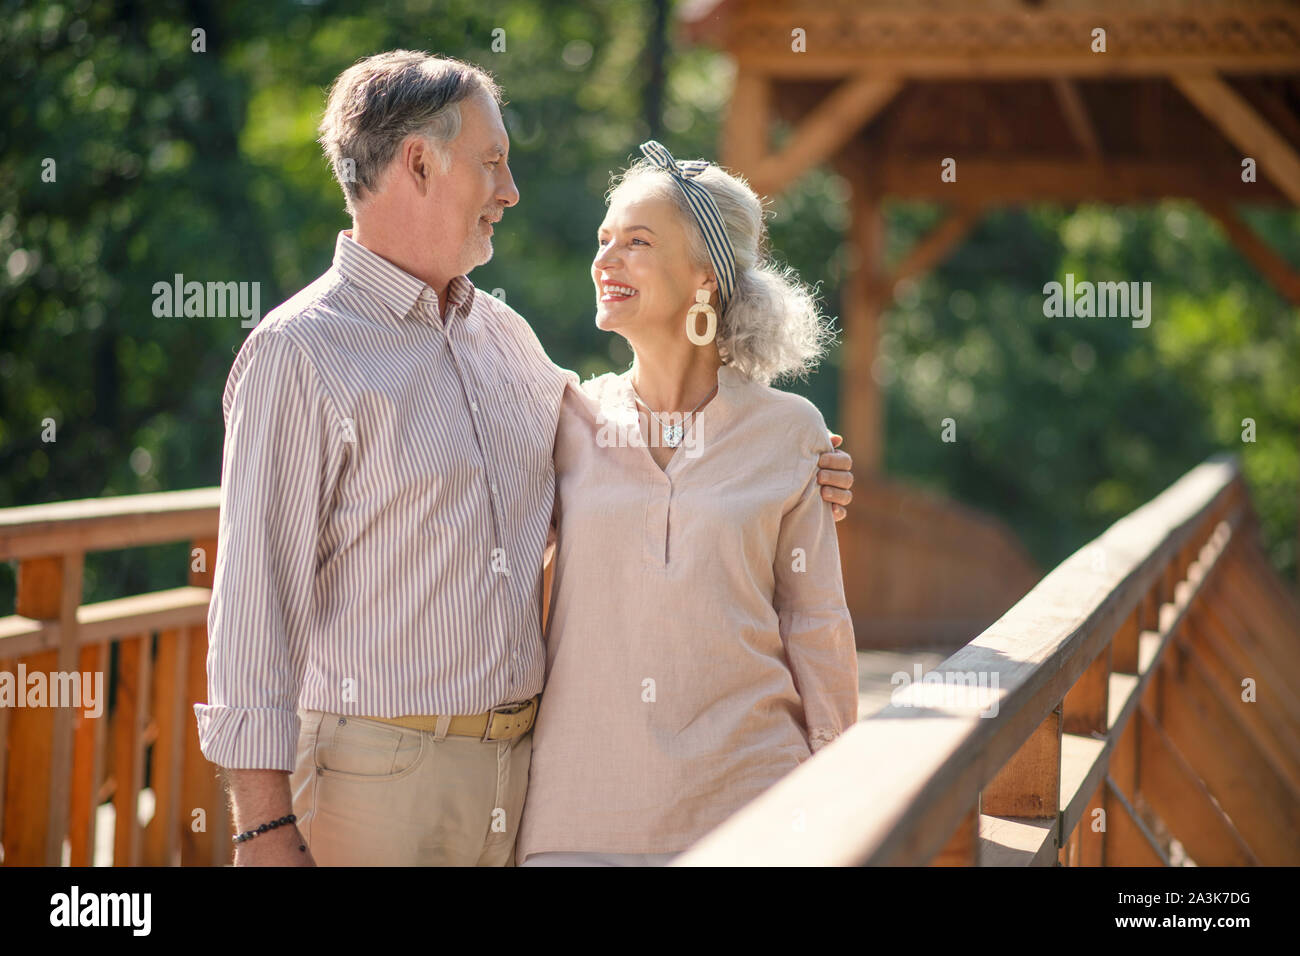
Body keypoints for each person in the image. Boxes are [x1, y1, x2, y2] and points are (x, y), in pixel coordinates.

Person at [193, 51, 855, 866]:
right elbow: (252, 606)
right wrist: (260, 827)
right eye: (493, 163)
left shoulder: (505, 341)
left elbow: (667, 458)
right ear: (420, 161)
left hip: (518, 780)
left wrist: (809, 465)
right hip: (377, 782)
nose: (510, 191)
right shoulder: (299, 354)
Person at [516, 143, 859, 866]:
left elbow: (814, 620)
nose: (606, 260)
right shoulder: (562, 418)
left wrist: (840, 785)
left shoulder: (792, 432)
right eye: (603, 240)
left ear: (706, 277)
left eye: (637, 243)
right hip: (579, 814)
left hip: (752, 804)